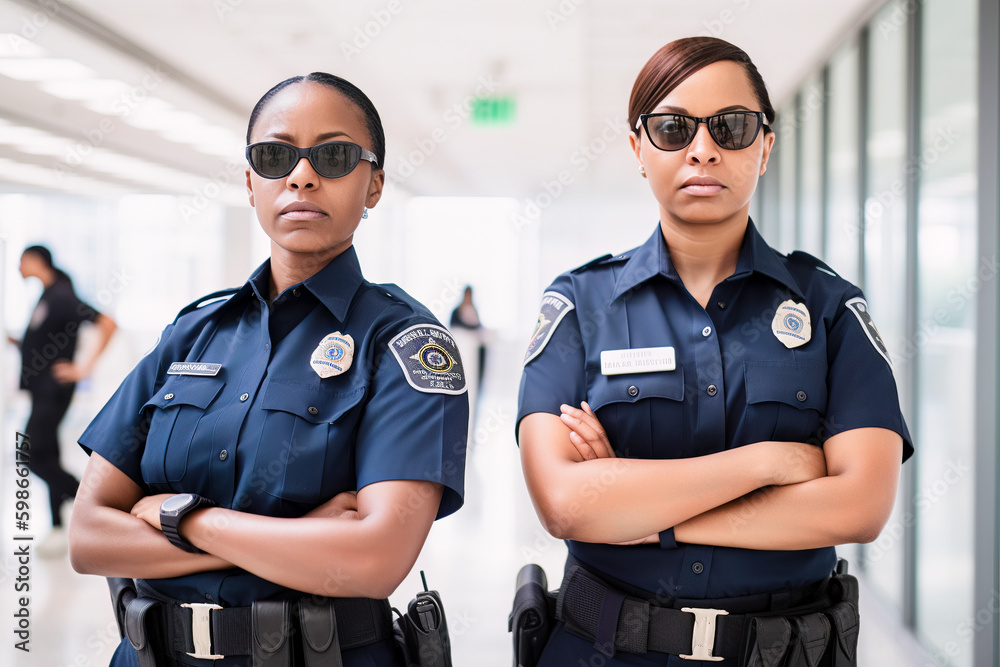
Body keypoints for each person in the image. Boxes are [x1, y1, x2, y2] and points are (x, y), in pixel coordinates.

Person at [515, 37, 912, 666]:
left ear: (765, 146)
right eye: (673, 129)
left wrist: (649, 515)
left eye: (731, 127)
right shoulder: (580, 307)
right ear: (638, 150)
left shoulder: (829, 308)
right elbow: (564, 503)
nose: (703, 149)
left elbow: (860, 507)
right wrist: (766, 463)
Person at [69, 72, 469, 667]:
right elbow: (88, 537)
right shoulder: (193, 332)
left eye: (334, 156)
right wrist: (292, 537)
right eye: (276, 156)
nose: (301, 175)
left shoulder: (404, 342)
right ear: (251, 182)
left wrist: (186, 520)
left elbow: (373, 560)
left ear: (375, 185)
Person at [8, 245, 117, 558]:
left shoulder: (61, 296)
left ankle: (88, 502)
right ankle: (58, 526)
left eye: (21, 261)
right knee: (48, 454)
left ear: (36, 261)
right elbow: (44, 340)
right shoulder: (47, 294)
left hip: (54, 390)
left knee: (29, 454)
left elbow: (107, 323)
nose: (17, 267)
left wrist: (84, 368)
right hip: (41, 390)